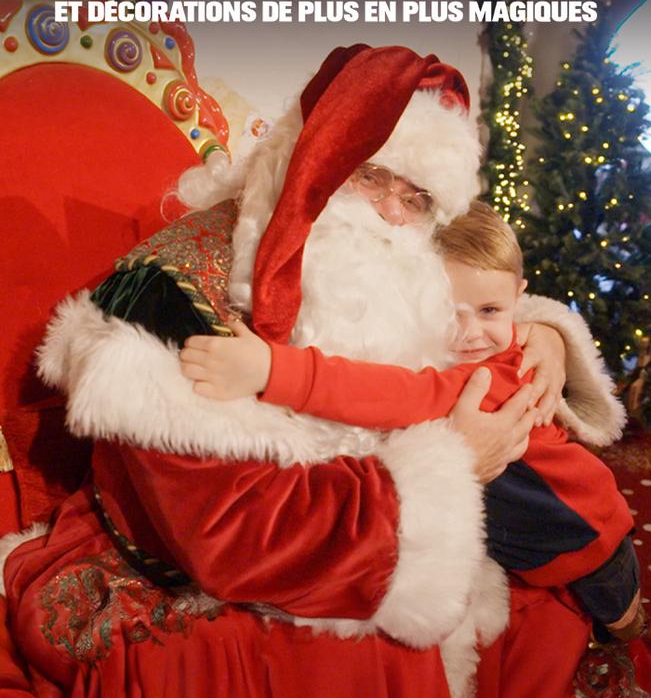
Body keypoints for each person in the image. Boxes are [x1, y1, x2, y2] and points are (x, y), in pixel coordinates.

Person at [0, 44, 640, 698]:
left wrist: (543, 335)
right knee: (349, 664)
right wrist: (450, 466)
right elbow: (232, 538)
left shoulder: (387, 259)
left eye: (416, 198)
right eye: (371, 177)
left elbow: (460, 304)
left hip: (366, 507)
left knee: (543, 600)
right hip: (185, 560)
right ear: (317, 162)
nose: (391, 216)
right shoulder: (171, 298)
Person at [181, 199, 644, 642]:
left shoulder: (486, 376)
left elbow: (385, 392)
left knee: (622, 627)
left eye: (489, 312)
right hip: (530, 537)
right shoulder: (470, 348)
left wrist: (270, 370)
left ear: (518, 300)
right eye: (451, 312)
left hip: (591, 538)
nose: (469, 334)